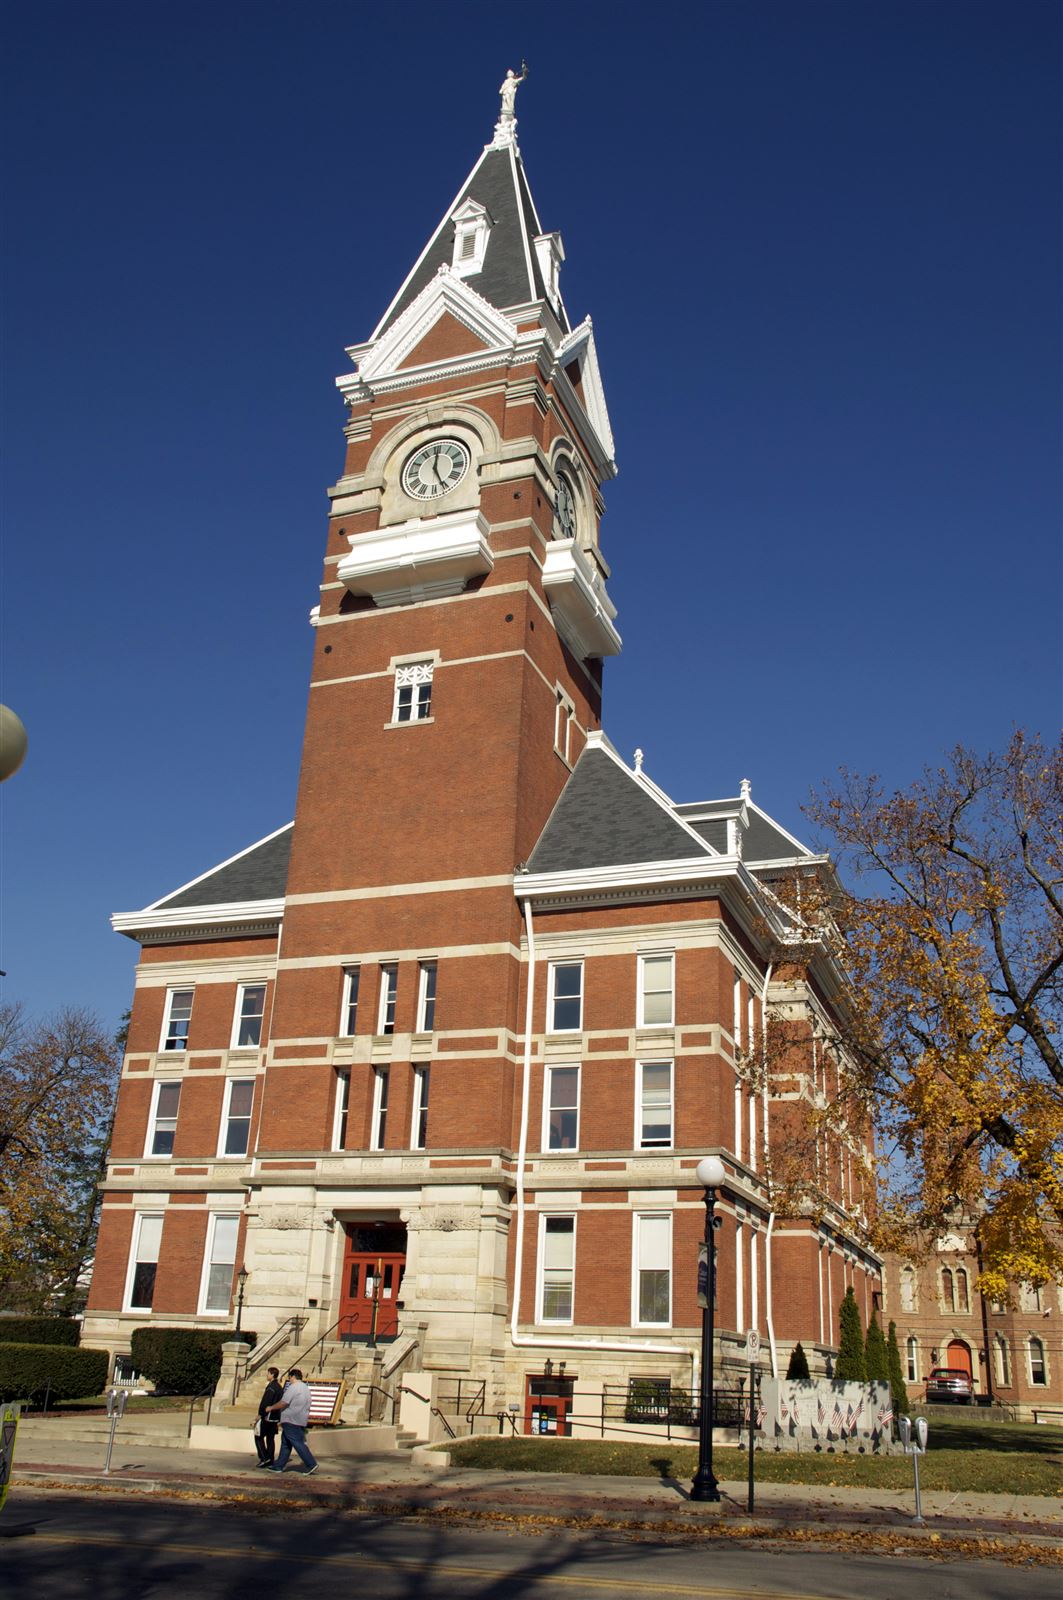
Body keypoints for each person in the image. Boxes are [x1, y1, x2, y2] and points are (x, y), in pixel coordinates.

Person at [264, 1368, 319, 1474]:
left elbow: (284, 1402)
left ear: (293, 1377)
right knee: (286, 1443)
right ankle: (279, 1466)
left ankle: (311, 1464)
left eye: (289, 1377)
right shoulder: (305, 1388)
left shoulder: (293, 1388)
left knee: (298, 1443)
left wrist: (271, 1408)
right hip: (300, 1419)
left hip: (291, 1420)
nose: (289, 1380)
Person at [254, 1366, 283, 1467]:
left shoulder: (271, 1387)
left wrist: (260, 1414)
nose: (267, 1375)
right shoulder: (279, 1387)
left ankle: (264, 1457)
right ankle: (270, 1459)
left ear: (272, 1375)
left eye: (268, 1374)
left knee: (258, 1436)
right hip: (275, 1417)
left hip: (268, 1417)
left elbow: (266, 1402)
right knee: (270, 1439)